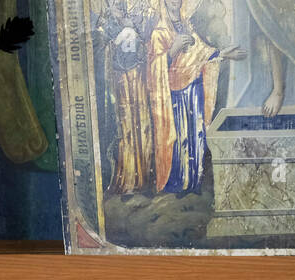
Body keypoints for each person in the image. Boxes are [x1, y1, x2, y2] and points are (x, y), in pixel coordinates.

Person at [148, 0, 246, 194]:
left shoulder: (186, 26)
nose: (175, 1)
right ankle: (176, 183)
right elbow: (153, 68)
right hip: (174, 95)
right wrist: (172, 50)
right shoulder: (159, 32)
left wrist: (223, 54)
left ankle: (193, 182)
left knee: (195, 134)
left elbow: (202, 52)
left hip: (194, 88)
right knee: (179, 137)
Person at [99, 0, 158, 195]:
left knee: (142, 125)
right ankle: (128, 180)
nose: (121, 8)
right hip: (120, 82)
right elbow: (103, 47)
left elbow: (147, 42)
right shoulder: (108, 25)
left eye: (121, 5)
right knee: (125, 129)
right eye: (116, 5)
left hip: (138, 79)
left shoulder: (139, 17)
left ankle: (144, 178)